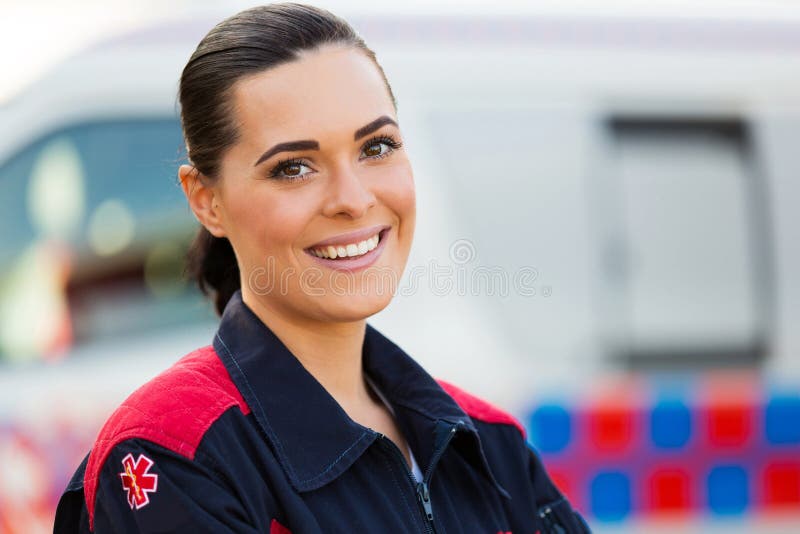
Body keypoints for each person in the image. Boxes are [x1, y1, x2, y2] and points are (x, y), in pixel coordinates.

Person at [54, 3, 590, 533]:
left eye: (376, 146)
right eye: (293, 168)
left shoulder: (490, 444)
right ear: (206, 200)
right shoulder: (174, 456)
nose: (353, 200)